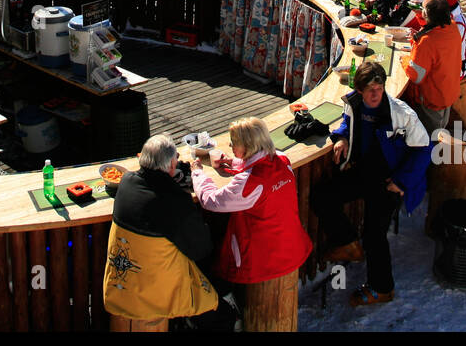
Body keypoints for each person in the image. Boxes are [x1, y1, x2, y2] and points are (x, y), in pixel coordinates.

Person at [313, 61, 431, 306]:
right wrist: (342, 137)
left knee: (374, 235)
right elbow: (348, 121)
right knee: (322, 196)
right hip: (365, 171)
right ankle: (347, 244)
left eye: (379, 87)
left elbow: (423, 150)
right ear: (360, 91)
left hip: (390, 179)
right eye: (370, 89)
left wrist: (401, 182)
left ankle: (382, 288)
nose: (375, 93)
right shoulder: (355, 104)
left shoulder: (402, 114)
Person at [103, 134, 219, 322]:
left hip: (121, 289)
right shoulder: (176, 202)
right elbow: (201, 249)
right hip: (159, 296)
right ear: (172, 166)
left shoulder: (125, 183)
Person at [191, 117, 312, 287]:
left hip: (263, 263)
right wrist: (233, 162)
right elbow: (259, 163)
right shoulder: (282, 159)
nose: (231, 146)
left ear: (247, 145)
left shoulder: (249, 183)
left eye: (234, 143)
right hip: (291, 247)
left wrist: (197, 173)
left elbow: (210, 201)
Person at [399, 0, 463, 134]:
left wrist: (403, 60)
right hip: (447, 92)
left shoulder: (427, 42)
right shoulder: (451, 27)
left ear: (427, 14)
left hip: (432, 100)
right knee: (441, 129)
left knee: (430, 137)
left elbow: (416, 75)